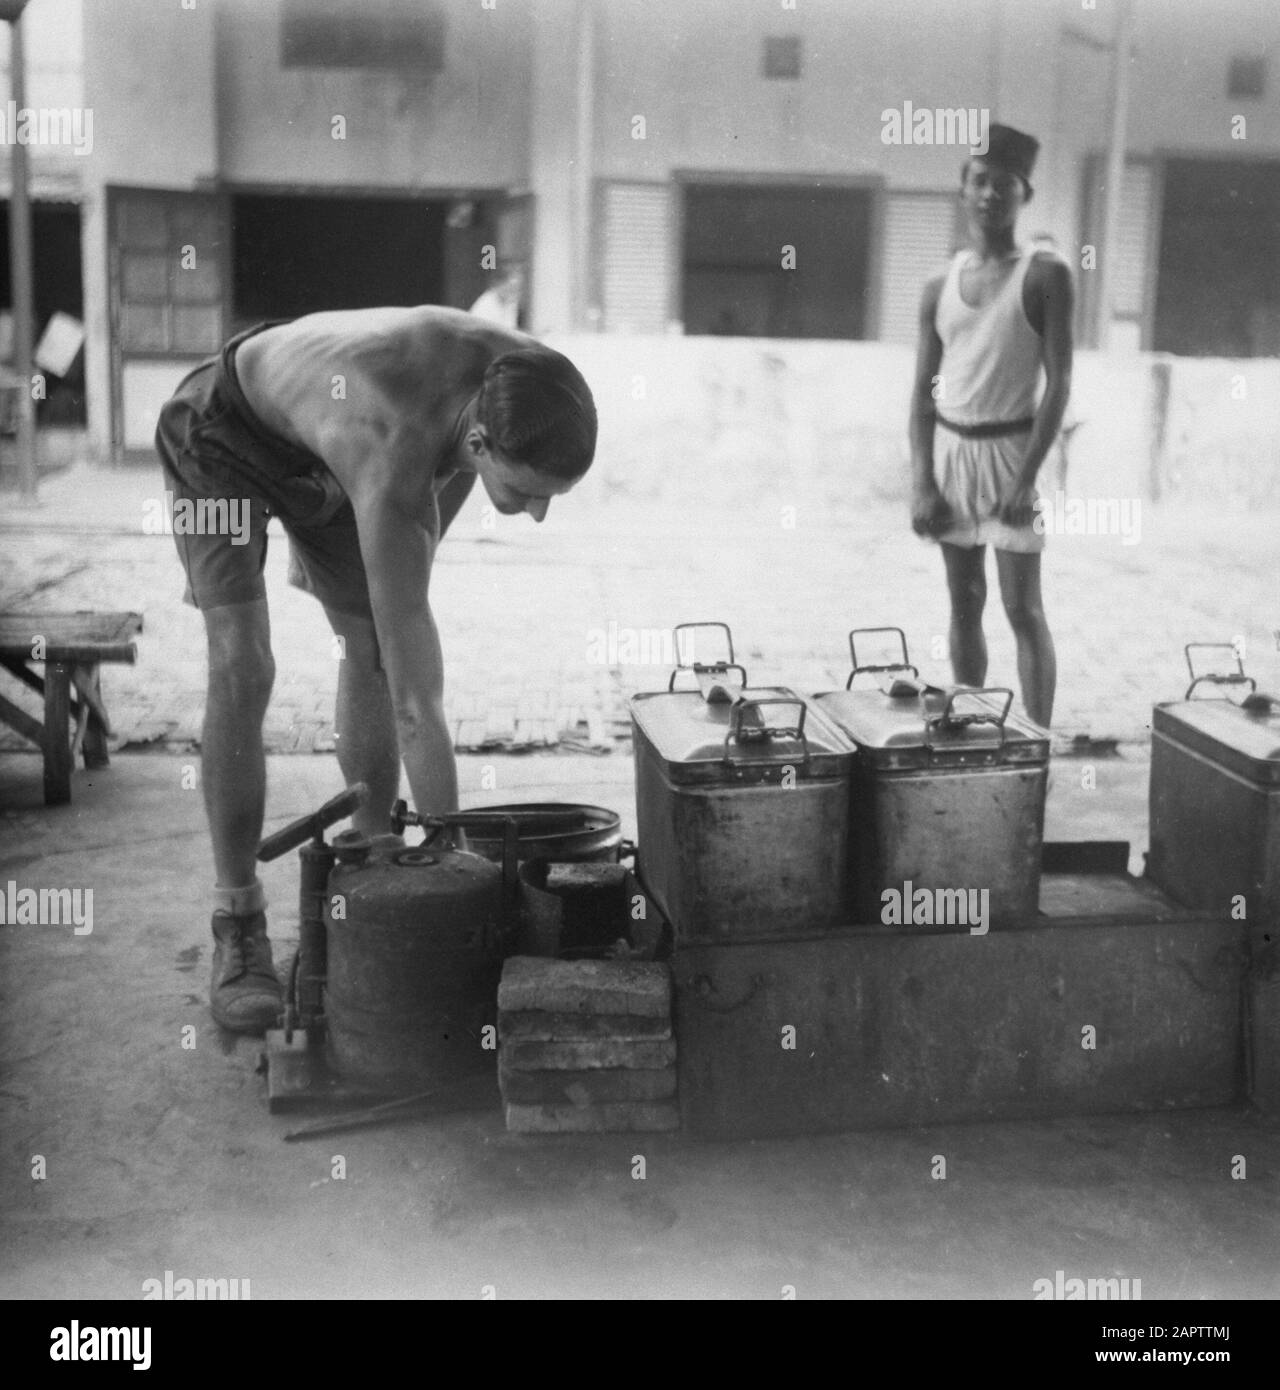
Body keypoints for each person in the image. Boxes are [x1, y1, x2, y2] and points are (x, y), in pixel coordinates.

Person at [154, 306, 597, 1033]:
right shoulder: (394, 450)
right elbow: (417, 701)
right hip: (222, 434)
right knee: (244, 663)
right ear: (480, 442)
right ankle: (237, 919)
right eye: (527, 493)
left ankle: (378, 860)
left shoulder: (530, 383)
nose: (538, 515)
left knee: (368, 646)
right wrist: (460, 862)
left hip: (334, 446)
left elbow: (395, 652)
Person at [909, 123, 1073, 729]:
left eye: (1004, 184)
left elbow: (1058, 383)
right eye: (979, 181)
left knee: (1022, 608)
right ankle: (971, 735)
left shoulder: (1046, 274)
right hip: (954, 454)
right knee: (964, 601)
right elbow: (922, 394)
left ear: (1023, 194)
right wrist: (922, 479)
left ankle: (1037, 742)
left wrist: (1027, 478)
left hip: (1012, 451)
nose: (989, 194)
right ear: (963, 189)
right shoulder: (937, 286)